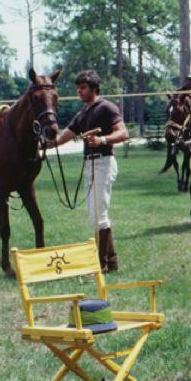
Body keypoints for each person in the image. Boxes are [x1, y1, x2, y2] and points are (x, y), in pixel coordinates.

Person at [54, 70, 128, 272]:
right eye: (78, 87)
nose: (79, 91)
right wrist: (43, 145)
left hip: (103, 162)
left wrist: (102, 140)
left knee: (99, 214)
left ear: (94, 88)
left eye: (83, 87)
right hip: (90, 164)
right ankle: (111, 262)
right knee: (95, 215)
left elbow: (123, 133)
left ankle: (101, 264)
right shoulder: (83, 113)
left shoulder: (106, 108)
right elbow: (63, 137)